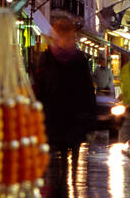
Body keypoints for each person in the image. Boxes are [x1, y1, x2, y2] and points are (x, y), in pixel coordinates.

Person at [31, 13, 97, 154]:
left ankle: (69, 172)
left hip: (74, 117)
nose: (69, 41)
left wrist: (90, 115)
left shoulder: (79, 59)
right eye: (65, 37)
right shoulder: (47, 58)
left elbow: (87, 88)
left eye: (71, 37)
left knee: (72, 154)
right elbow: (40, 87)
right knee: (54, 162)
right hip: (53, 116)